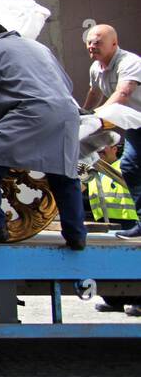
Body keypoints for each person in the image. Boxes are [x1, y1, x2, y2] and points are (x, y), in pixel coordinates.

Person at [0, 20, 86, 249]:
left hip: (32, 111)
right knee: (64, 174)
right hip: (67, 112)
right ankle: (76, 236)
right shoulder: (39, 48)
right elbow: (66, 84)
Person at [81, 24, 141, 238]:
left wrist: (94, 117)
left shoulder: (129, 63)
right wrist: (84, 113)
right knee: (130, 166)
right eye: (89, 42)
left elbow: (123, 93)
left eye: (97, 42)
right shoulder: (96, 68)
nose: (92, 46)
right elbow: (95, 92)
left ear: (114, 43)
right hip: (137, 125)